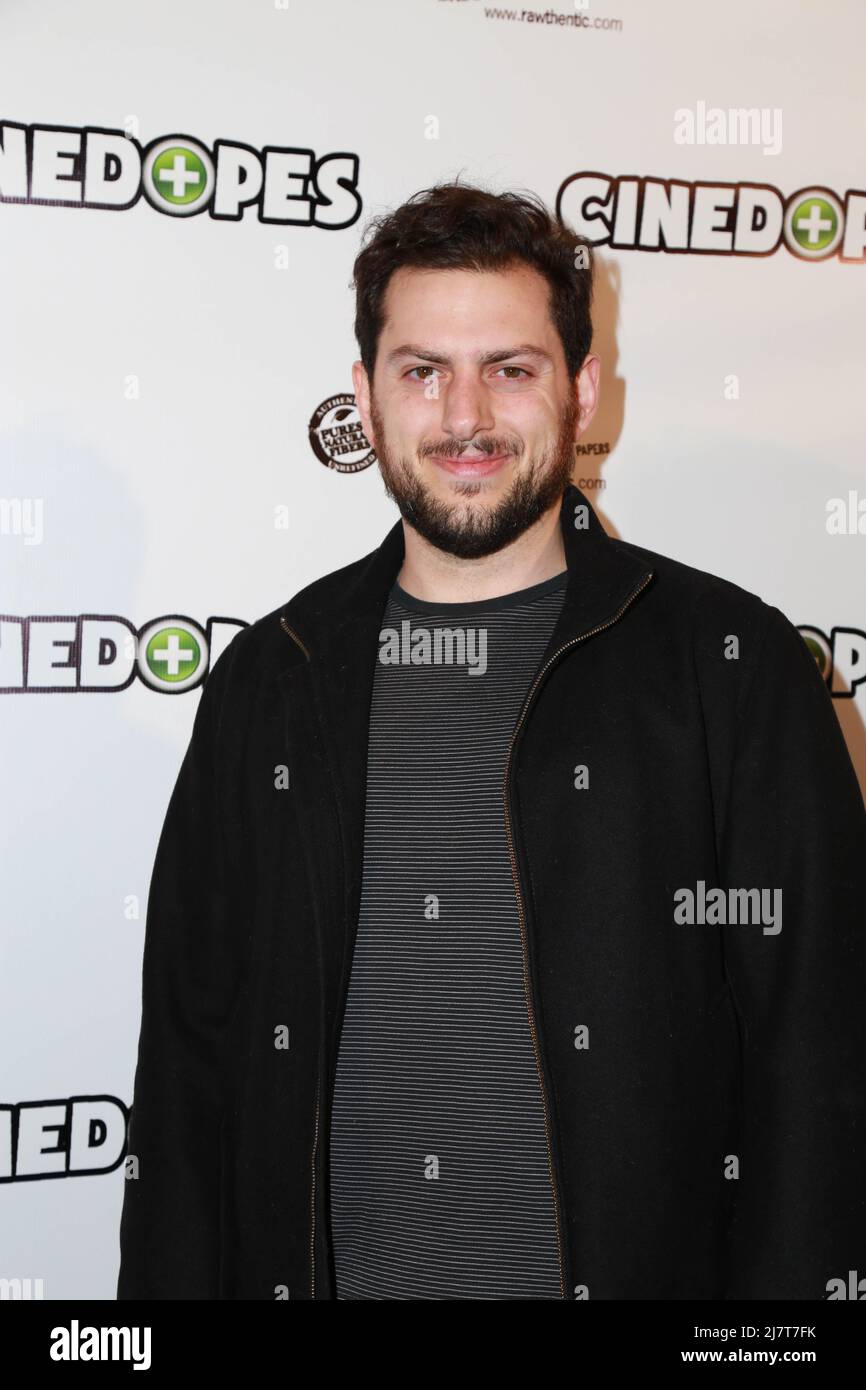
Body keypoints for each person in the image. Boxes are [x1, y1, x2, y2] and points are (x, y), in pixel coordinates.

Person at [117, 179, 866, 1301]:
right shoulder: (270, 681)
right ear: (363, 399)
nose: (463, 416)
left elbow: (820, 1067)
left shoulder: (733, 666)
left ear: (583, 390)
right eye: (422, 371)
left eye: (509, 369)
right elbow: (187, 1075)